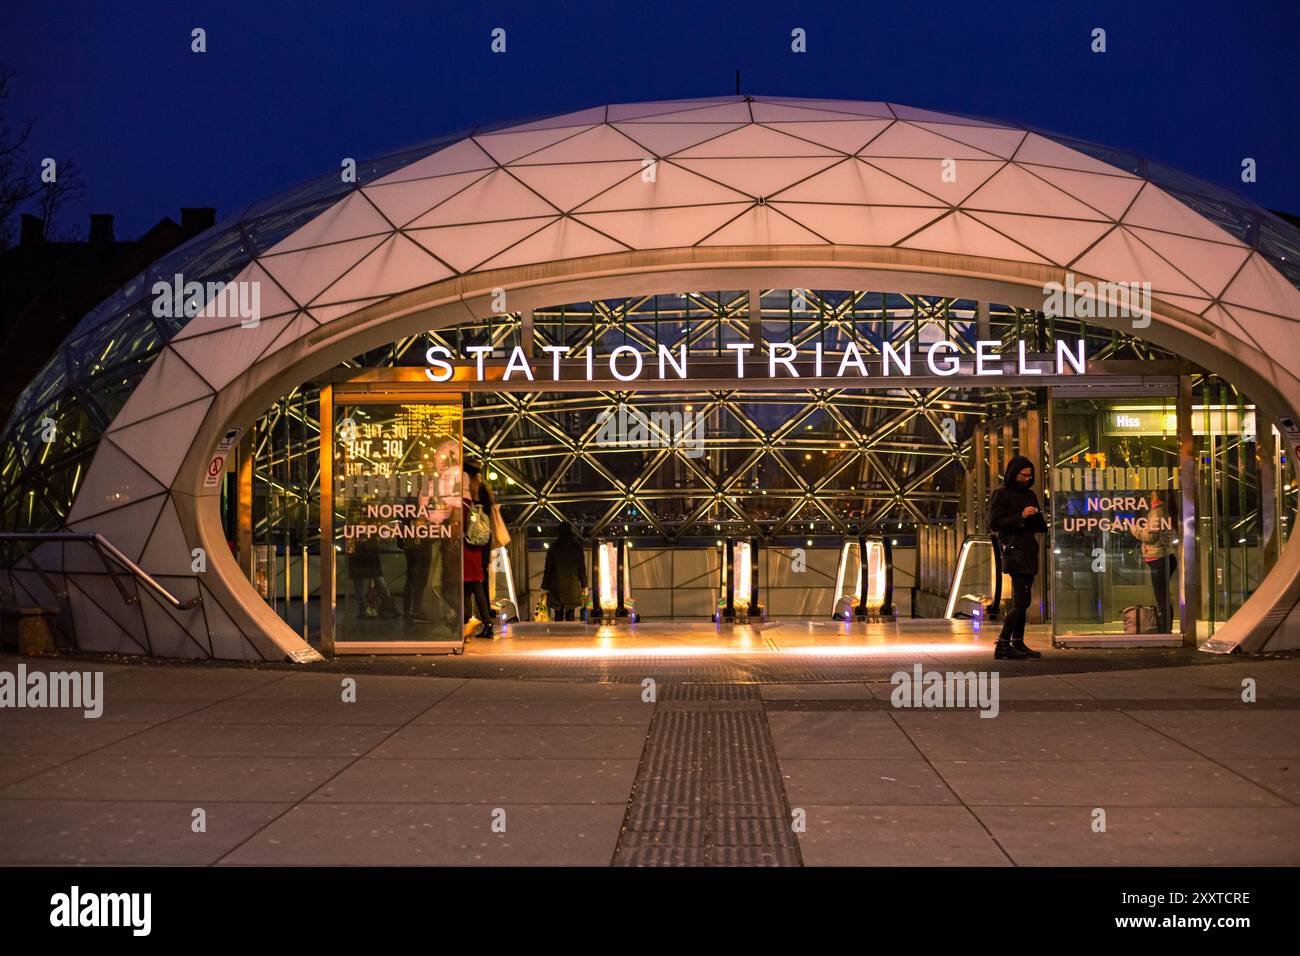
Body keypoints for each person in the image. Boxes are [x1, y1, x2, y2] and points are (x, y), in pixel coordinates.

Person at [988, 454, 1047, 660]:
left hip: (1028, 550)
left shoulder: (1030, 495)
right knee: (1022, 602)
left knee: (1022, 600)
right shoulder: (1002, 494)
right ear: (1013, 474)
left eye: (1029, 476)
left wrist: (1037, 518)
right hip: (1015, 553)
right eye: (1023, 475)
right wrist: (1020, 517)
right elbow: (995, 523)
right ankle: (1003, 643)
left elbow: (1038, 527)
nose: (1026, 479)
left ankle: (1017, 642)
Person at [1133, 490, 1177, 633]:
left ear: (1158, 496)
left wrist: (1135, 530)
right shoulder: (1162, 511)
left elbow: (1151, 536)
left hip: (1160, 558)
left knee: (1161, 596)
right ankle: (1165, 627)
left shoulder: (1157, 512)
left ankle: (1165, 628)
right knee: (1163, 595)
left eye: (1152, 494)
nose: (1150, 497)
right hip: (1162, 557)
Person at [462, 460, 494, 638]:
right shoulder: (484, 492)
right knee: (472, 585)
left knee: (474, 585)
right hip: (480, 545)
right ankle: (471, 622)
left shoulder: (471, 495)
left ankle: (478, 622)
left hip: (470, 545)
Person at [542, 522, 587, 621]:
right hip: (572, 586)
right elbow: (581, 569)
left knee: (558, 614)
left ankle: (558, 634)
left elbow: (548, 570)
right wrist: (584, 585)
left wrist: (544, 587)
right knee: (570, 613)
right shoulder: (577, 548)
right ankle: (570, 633)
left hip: (556, 587)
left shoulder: (553, 548)